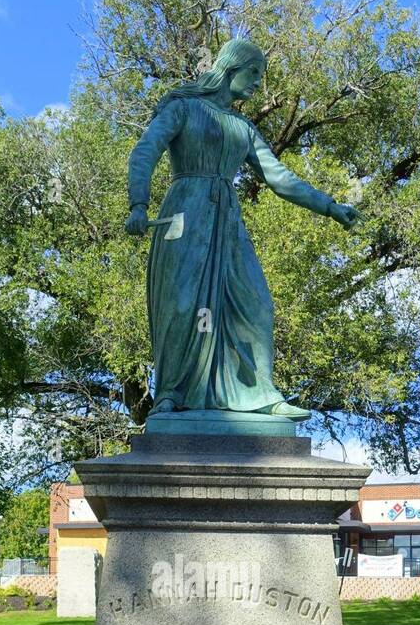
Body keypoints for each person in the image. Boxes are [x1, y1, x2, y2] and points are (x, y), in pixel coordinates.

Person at [125, 38, 360, 420]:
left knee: (256, 302)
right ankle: (170, 393)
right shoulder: (182, 108)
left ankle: (260, 393)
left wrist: (330, 207)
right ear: (232, 67)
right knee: (184, 304)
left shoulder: (243, 127)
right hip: (184, 215)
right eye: (254, 74)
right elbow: (145, 151)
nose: (256, 85)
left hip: (227, 224)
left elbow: (280, 178)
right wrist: (138, 203)